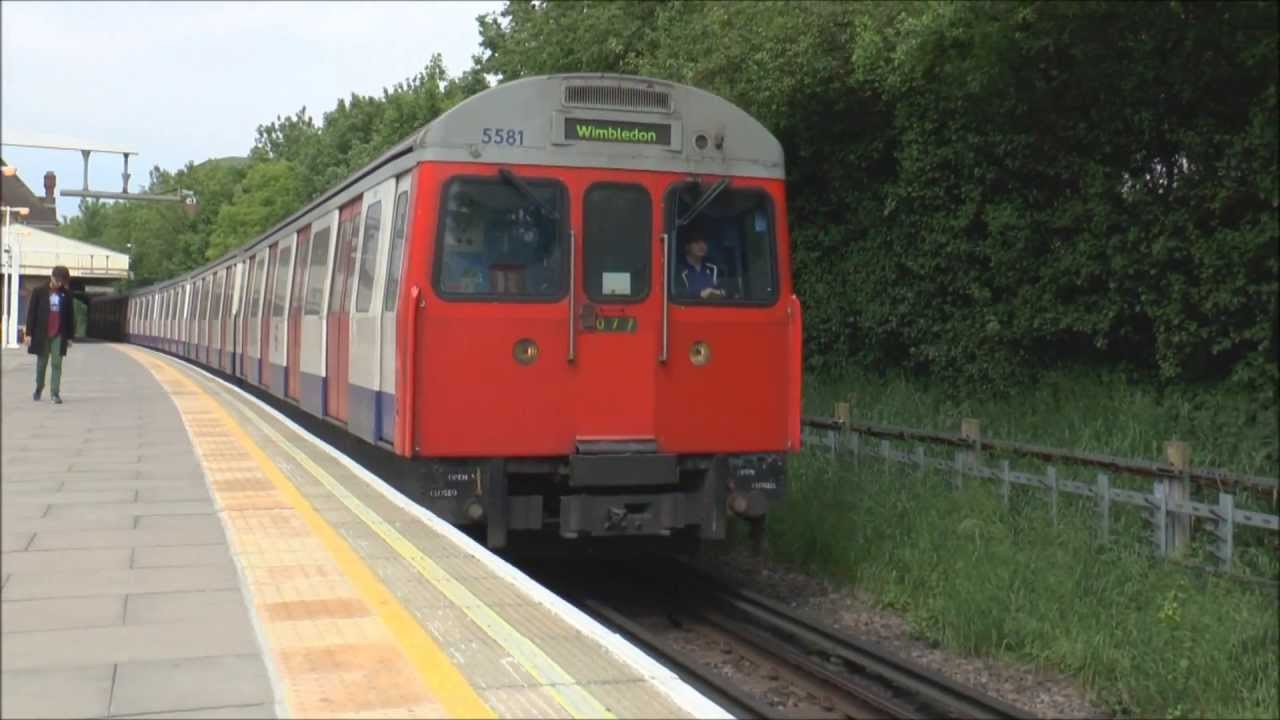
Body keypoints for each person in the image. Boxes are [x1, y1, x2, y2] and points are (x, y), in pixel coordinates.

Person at [25, 265, 75, 404]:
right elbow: (31, 314)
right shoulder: (39, 291)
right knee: (42, 363)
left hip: (59, 333)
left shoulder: (66, 294)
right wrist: (28, 333)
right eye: (58, 280)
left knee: (57, 363)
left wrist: (70, 336)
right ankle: (39, 387)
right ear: (51, 277)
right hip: (42, 333)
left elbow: (70, 316)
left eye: (62, 282)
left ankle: (55, 393)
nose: (59, 284)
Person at [675, 227, 726, 300]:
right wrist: (700, 294)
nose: (701, 246)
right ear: (687, 246)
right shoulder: (678, 269)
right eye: (696, 242)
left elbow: (725, 291)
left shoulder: (714, 268)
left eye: (704, 242)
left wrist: (717, 293)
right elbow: (677, 293)